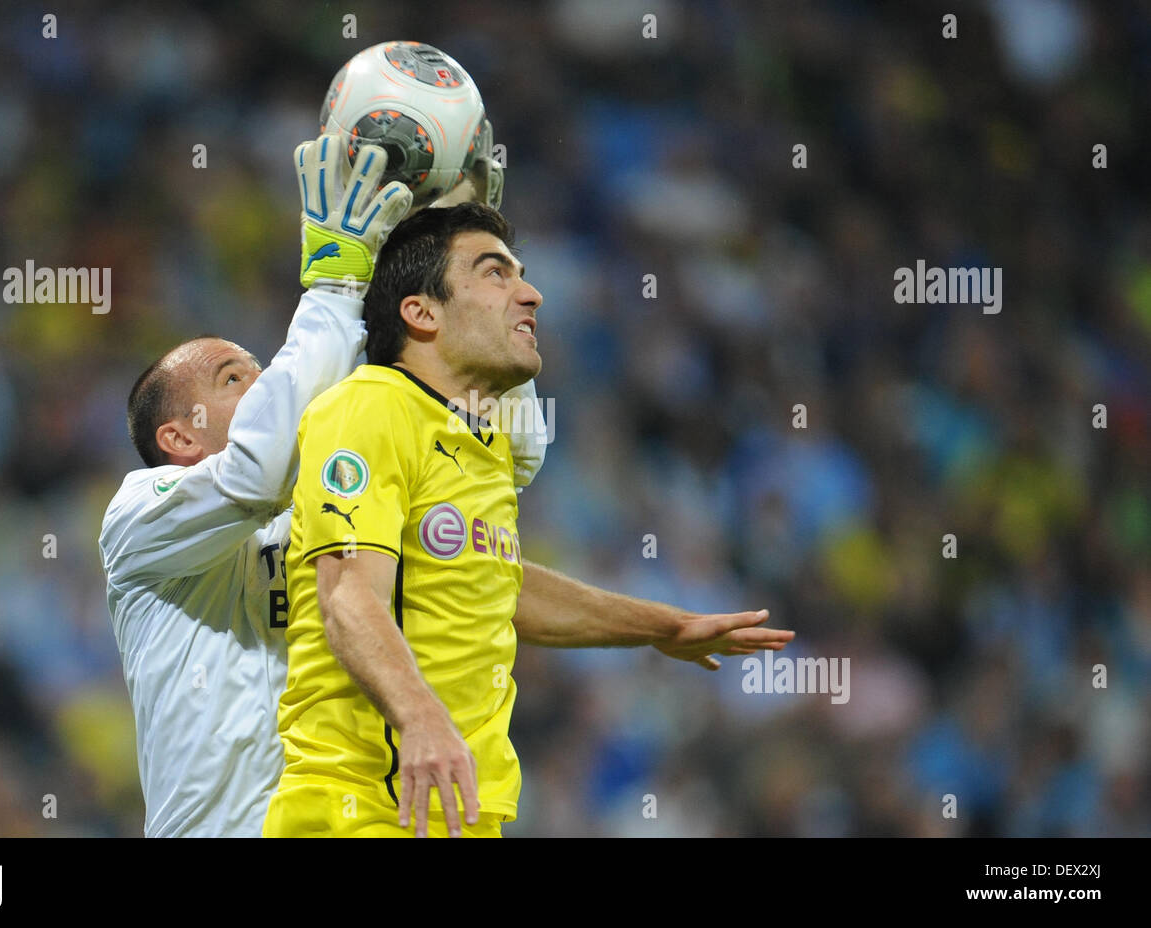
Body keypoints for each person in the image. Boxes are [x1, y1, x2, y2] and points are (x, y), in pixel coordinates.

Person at [264, 203, 795, 838]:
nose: (532, 294)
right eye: (495, 273)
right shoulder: (371, 407)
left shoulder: (482, 446)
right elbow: (348, 595)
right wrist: (420, 719)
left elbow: (501, 587)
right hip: (365, 803)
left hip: (457, 810)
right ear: (421, 312)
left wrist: (664, 626)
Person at [98, 135, 547, 836]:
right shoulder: (139, 520)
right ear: (179, 437)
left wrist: (460, 282)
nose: (271, 379)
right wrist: (335, 283)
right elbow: (256, 470)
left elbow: (515, 455)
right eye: (235, 378)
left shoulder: (330, 500)